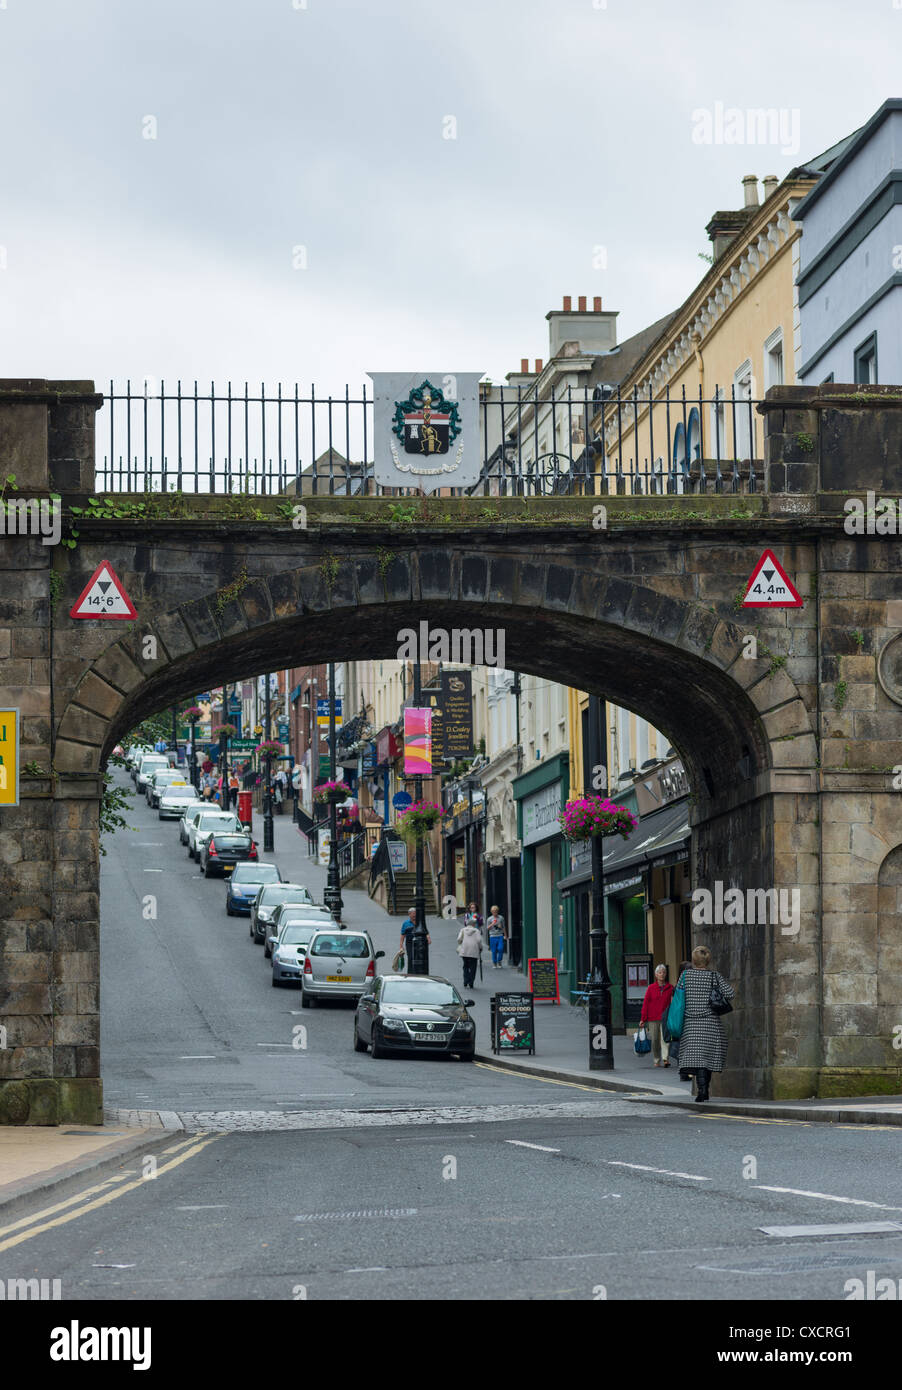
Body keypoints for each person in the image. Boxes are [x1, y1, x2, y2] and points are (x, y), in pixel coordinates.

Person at [675, 945, 735, 1103]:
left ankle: (702, 1091)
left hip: (691, 1024)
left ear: (694, 960)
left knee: (697, 1058)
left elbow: (678, 995)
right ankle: (704, 1090)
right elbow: (730, 993)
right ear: (708, 960)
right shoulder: (714, 976)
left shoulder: (685, 976)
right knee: (706, 1059)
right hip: (710, 1023)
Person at [639, 964, 675, 1068]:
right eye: (660, 972)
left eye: (664, 972)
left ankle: (665, 1059)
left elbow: (673, 1003)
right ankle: (656, 1059)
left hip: (665, 1017)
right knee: (655, 1040)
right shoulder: (651, 988)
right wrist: (643, 1019)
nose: (662, 974)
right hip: (653, 1018)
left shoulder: (670, 987)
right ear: (656, 975)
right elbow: (645, 1004)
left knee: (665, 1039)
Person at [399, 908, 431, 973]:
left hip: (419, 942)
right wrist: (401, 945)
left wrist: (428, 938)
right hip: (409, 943)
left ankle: (418, 971)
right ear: (409, 914)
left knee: (419, 957)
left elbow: (425, 931)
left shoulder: (420, 922)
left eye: (415, 913)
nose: (414, 915)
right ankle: (410, 972)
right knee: (410, 958)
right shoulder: (405, 924)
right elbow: (402, 935)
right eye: (413, 913)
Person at [456, 917, 483, 989]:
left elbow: (459, 939)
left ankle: (465, 981)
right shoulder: (476, 931)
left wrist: (460, 943)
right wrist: (480, 948)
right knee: (473, 967)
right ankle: (471, 982)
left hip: (465, 950)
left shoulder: (463, 930)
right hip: (474, 951)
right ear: (473, 924)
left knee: (465, 966)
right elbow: (479, 941)